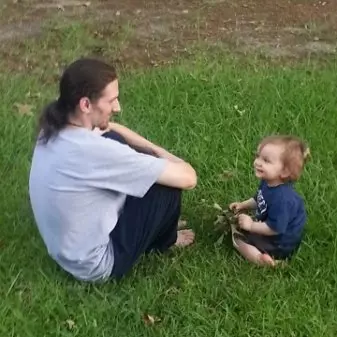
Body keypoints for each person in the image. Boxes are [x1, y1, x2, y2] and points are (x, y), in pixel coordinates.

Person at [28, 58, 197, 282]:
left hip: (66, 250)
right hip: (97, 264)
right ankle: (165, 241)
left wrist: (113, 127)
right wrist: (157, 153)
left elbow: (109, 134)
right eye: (112, 100)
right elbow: (188, 178)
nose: (118, 108)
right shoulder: (94, 151)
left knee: (114, 137)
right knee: (166, 188)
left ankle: (155, 227)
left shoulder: (54, 127)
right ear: (86, 104)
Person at [229, 135, 309, 266]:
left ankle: (263, 260)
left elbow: (275, 228)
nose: (257, 162)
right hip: (272, 231)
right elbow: (259, 199)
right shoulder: (268, 183)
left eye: (266, 160)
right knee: (239, 226)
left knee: (238, 240)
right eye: (257, 156)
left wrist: (251, 226)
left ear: (284, 171)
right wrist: (243, 205)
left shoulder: (282, 199)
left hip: (280, 242)